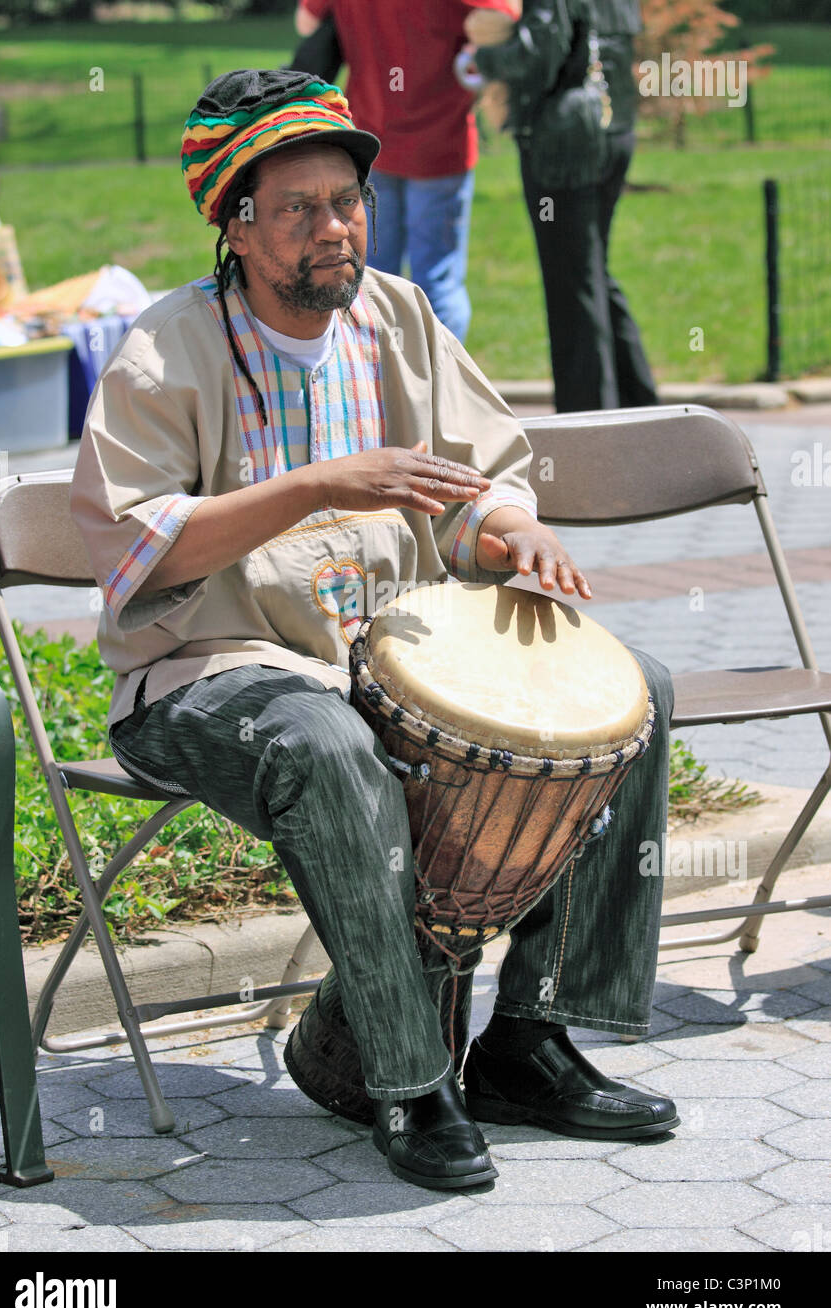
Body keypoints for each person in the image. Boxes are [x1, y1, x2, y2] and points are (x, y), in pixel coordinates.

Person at [71, 68, 678, 1194]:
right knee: (329, 743)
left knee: (632, 693)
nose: (334, 228)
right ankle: (405, 1079)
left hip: (387, 660)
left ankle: (526, 1043)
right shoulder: (166, 352)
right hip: (204, 674)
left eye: (346, 200)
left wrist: (508, 534)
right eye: (298, 207)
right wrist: (315, 484)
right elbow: (132, 553)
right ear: (235, 226)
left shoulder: (397, 317)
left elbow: (476, 483)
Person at [294, 0, 521, 343]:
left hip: (367, 148)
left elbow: (307, 20)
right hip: (441, 150)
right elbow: (505, 26)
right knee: (438, 281)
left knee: (368, 280)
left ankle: (375, 388)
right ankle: (439, 389)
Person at [473, 0, 658, 412]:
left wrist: (479, 54)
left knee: (571, 280)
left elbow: (533, 58)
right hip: (615, 134)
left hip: (564, 144)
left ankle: (586, 416)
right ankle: (638, 401)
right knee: (593, 271)